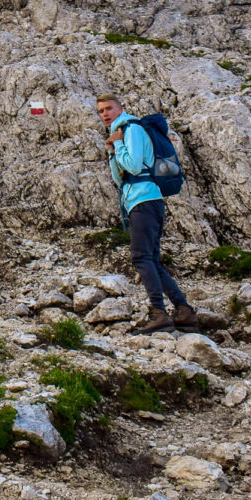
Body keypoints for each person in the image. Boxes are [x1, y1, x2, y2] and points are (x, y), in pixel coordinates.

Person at [96, 92, 198, 334]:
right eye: (101, 111)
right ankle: (183, 311)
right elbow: (119, 179)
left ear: (120, 108)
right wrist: (113, 150)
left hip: (144, 200)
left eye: (109, 108)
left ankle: (158, 312)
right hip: (140, 200)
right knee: (151, 259)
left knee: (141, 257)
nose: (105, 114)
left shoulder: (133, 129)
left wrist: (119, 143)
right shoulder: (122, 133)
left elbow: (132, 165)